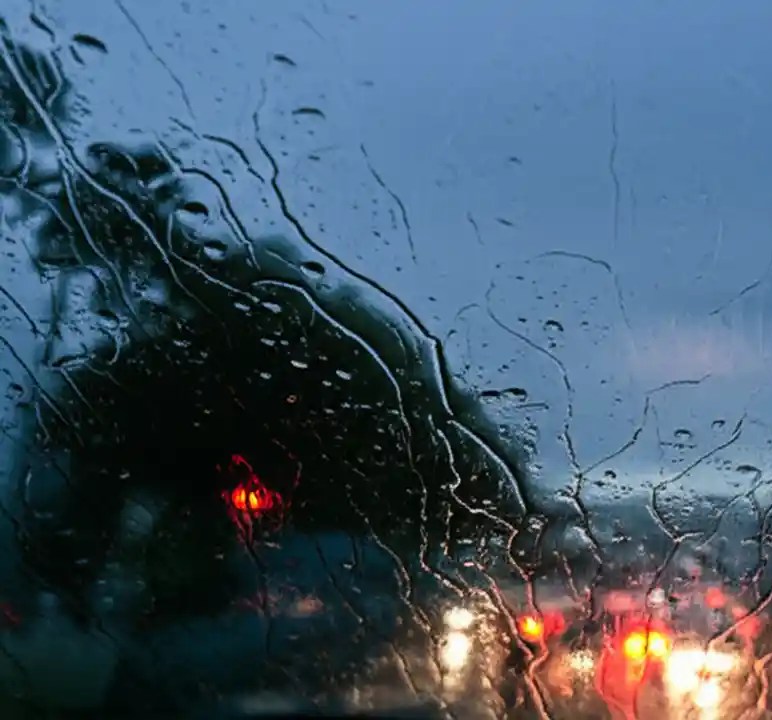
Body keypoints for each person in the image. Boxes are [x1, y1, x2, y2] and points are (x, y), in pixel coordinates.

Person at [0, 29, 533, 715]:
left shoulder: (201, 349)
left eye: (101, 258)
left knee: (151, 680)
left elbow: (100, 486)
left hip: (361, 572)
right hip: (374, 576)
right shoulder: (250, 321)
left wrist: (67, 579)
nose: (98, 293)